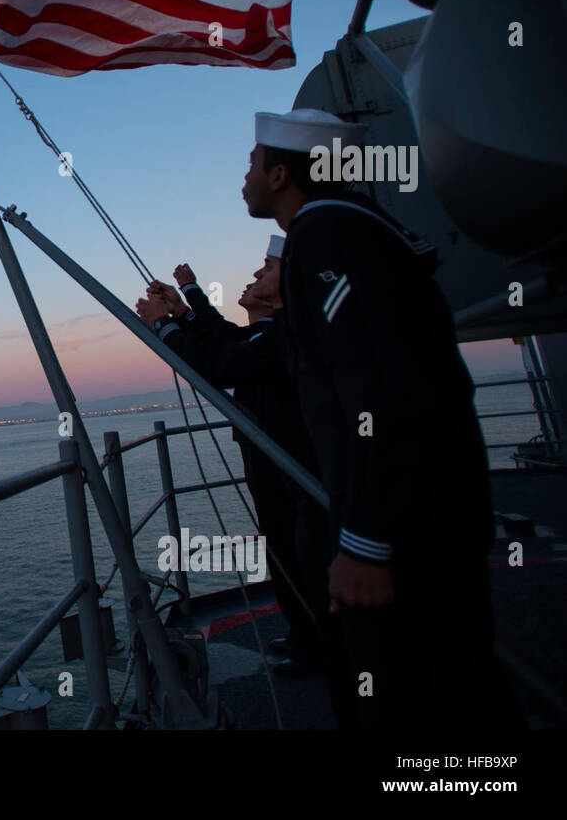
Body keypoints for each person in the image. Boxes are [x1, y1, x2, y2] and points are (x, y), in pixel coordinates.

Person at [241, 107, 516, 728]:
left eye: (253, 164)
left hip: (404, 526)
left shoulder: (327, 237)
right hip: (422, 513)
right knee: (453, 684)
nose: (247, 176)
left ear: (282, 174)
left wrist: (365, 543)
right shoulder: (354, 232)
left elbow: (381, 393)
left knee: (412, 696)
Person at [135, 244, 332, 681]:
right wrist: (183, 305)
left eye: (269, 268)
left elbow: (217, 360)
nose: (256, 274)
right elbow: (224, 337)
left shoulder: (284, 333)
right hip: (274, 456)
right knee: (284, 549)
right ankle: (308, 635)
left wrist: (163, 326)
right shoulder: (275, 332)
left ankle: (323, 646)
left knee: (302, 552)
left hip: (289, 460)